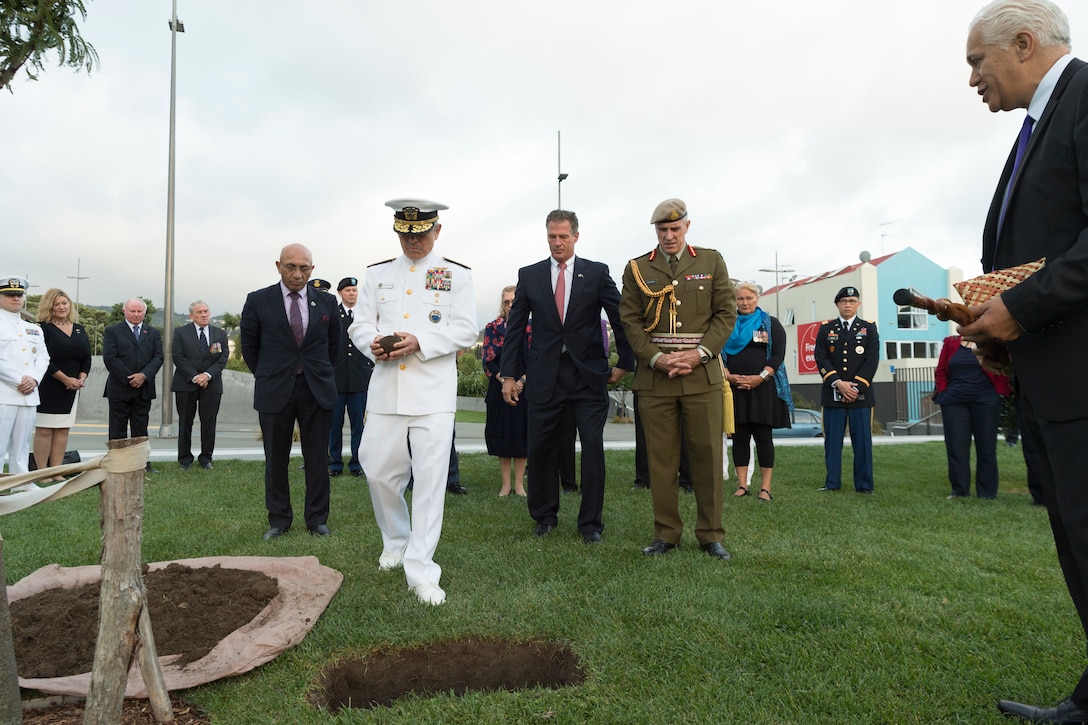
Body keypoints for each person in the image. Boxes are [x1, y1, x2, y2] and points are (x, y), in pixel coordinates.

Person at [957, 2, 1088, 720]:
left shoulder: (1084, 100)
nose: (973, 78)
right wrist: (995, 323)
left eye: (978, 62)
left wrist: (1022, 307)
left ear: (1026, 43)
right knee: (1076, 547)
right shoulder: (1038, 125)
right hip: (1046, 382)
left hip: (1079, 381)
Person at [352, 198, 477, 606]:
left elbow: (464, 329)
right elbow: (361, 323)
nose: (414, 243)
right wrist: (371, 343)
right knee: (377, 472)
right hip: (387, 389)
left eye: (422, 235)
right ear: (397, 232)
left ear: (437, 231)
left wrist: (421, 341)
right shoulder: (377, 274)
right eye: (406, 235)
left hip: (432, 394)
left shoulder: (455, 275)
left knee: (429, 482)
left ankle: (422, 569)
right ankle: (397, 539)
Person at [500, 209, 633, 545]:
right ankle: (544, 517)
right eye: (551, 237)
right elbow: (515, 329)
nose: (557, 243)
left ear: (576, 236)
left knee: (592, 448)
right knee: (542, 448)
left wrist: (625, 361)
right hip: (544, 376)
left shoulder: (597, 273)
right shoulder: (529, 276)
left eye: (563, 236)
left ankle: (591, 524)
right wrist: (510, 375)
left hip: (588, 377)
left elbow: (619, 318)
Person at [618, 198, 736, 561]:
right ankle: (666, 533)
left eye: (675, 229)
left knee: (707, 457)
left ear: (687, 227)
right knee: (661, 461)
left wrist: (699, 354)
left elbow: (725, 313)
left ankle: (710, 534)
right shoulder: (638, 268)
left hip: (701, 375)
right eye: (662, 230)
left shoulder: (711, 261)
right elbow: (630, 320)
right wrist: (656, 358)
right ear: (655, 231)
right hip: (657, 379)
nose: (668, 236)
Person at [240, 243, 339, 540]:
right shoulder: (258, 301)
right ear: (278, 266)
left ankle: (317, 519)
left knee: (318, 458)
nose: (297, 274)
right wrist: (272, 373)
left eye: (304, 268)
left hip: (316, 389)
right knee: (276, 458)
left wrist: (316, 373)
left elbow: (333, 348)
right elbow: (250, 348)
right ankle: (279, 519)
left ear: (312, 269)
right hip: (275, 388)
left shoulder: (327, 302)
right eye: (291, 267)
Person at [721, 282, 792, 501]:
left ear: (757, 299)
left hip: (763, 388)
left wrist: (759, 378)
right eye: (740, 298)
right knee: (739, 438)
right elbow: (717, 353)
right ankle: (742, 485)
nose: (744, 302)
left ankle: (765, 488)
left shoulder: (770, 324)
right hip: (735, 389)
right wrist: (729, 376)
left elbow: (778, 355)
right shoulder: (726, 324)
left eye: (748, 298)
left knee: (763, 438)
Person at [813, 286, 878, 494]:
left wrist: (855, 388)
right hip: (833, 393)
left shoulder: (869, 328)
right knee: (832, 441)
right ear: (837, 305)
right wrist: (839, 383)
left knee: (863, 442)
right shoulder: (826, 329)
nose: (847, 305)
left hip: (861, 394)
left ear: (858, 304)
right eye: (843, 302)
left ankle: (864, 485)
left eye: (851, 301)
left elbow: (872, 360)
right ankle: (832, 483)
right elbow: (820, 358)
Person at [933, 335, 1011, 500]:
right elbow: (940, 370)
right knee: (956, 447)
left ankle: (987, 493)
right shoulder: (950, 342)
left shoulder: (993, 342)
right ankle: (959, 491)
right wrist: (943, 391)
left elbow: (1003, 368)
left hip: (986, 400)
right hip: (954, 401)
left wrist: (1000, 393)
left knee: (986, 448)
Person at [32, 287, 89, 481]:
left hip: (72, 388)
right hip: (50, 384)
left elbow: (86, 358)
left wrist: (81, 378)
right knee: (45, 430)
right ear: (50, 307)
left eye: (64, 303)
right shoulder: (41, 328)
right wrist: (65, 379)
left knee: (63, 429)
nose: (62, 307)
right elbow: (43, 359)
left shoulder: (80, 329)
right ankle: (42, 473)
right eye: (57, 304)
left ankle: (56, 472)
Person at [102, 298, 164, 472]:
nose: (136, 315)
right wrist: (130, 378)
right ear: (124, 311)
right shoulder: (112, 331)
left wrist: (144, 375)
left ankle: (142, 464)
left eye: (139, 311)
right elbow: (110, 358)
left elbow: (158, 357)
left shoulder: (152, 332)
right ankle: (118, 464)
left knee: (141, 428)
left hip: (144, 389)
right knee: (117, 428)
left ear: (144, 312)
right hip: (120, 387)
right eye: (132, 311)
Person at [0, 276, 49, 485]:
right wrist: (19, 380)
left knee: (21, 445)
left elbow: (44, 357)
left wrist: (35, 380)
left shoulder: (34, 328)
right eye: (10, 295)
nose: (15, 298)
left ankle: (20, 483)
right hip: (5, 392)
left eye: (19, 294)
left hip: (29, 394)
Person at [171, 300, 229, 471]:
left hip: (212, 385)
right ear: (191, 316)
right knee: (185, 422)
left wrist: (207, 375)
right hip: (186, 384)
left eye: (206, 311)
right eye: (199, 312)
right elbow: (178, 357)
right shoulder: (181, 333)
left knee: (209, 422)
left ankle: (206, 458)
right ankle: (185, 459)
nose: (203, 315)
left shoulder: (220, 333)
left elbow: (222, 358)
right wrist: (196, 377)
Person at [482, 285, 527, 497]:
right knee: (502, 436)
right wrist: (505, 381)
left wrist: (520, 382)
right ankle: (506, 484)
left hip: (525, 388)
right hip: (499, 387)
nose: (510, 305)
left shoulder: (533, 326)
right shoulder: (492, 327)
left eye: (514, 301)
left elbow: (537, 359)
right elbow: (488, 360)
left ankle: (519, 485)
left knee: (521, 437)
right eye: (506, 302)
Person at [328, 276, 373, 478]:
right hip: (336, 379)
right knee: (334, 425)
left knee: (358, 426)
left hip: (359, 378)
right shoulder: (333, 314)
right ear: (340, 293)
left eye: (354, 290)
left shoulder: (366, 315)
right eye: (347, 291)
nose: (352, 294)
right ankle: (335, 463)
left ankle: (357, 464)